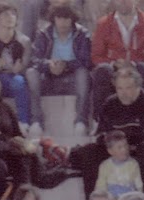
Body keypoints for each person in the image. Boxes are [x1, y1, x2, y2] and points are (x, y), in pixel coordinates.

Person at [72, 62, 144, 200]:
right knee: (90, 152)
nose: (123, 93)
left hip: (138, 149)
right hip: (114, 148)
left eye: (128, 88)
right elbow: (101, 133)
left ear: (138, 86)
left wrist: (128, 142)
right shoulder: (110, 103)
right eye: (120, 88)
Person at [28, 3, 91, 136]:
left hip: (73, 75)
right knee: (31, 73)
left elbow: (86, 60)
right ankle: (36, 121)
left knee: (83, 73)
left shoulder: (82, 34)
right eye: (59, 18)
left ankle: (81, 120)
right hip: (49, 75)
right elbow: (34, 59)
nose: (63, 22)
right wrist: (48, 65)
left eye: (67, 18)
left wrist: (66, 65)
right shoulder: (44, 33)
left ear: (72, 19)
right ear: (54, 19)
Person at [89, 0, 144, 110]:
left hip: (138, 70)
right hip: (114, 69)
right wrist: (114, 64)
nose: (122, 1)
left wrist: (133, 64)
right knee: (102, 69)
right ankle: (101, 119)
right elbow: (96, 56)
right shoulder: (103, 24)